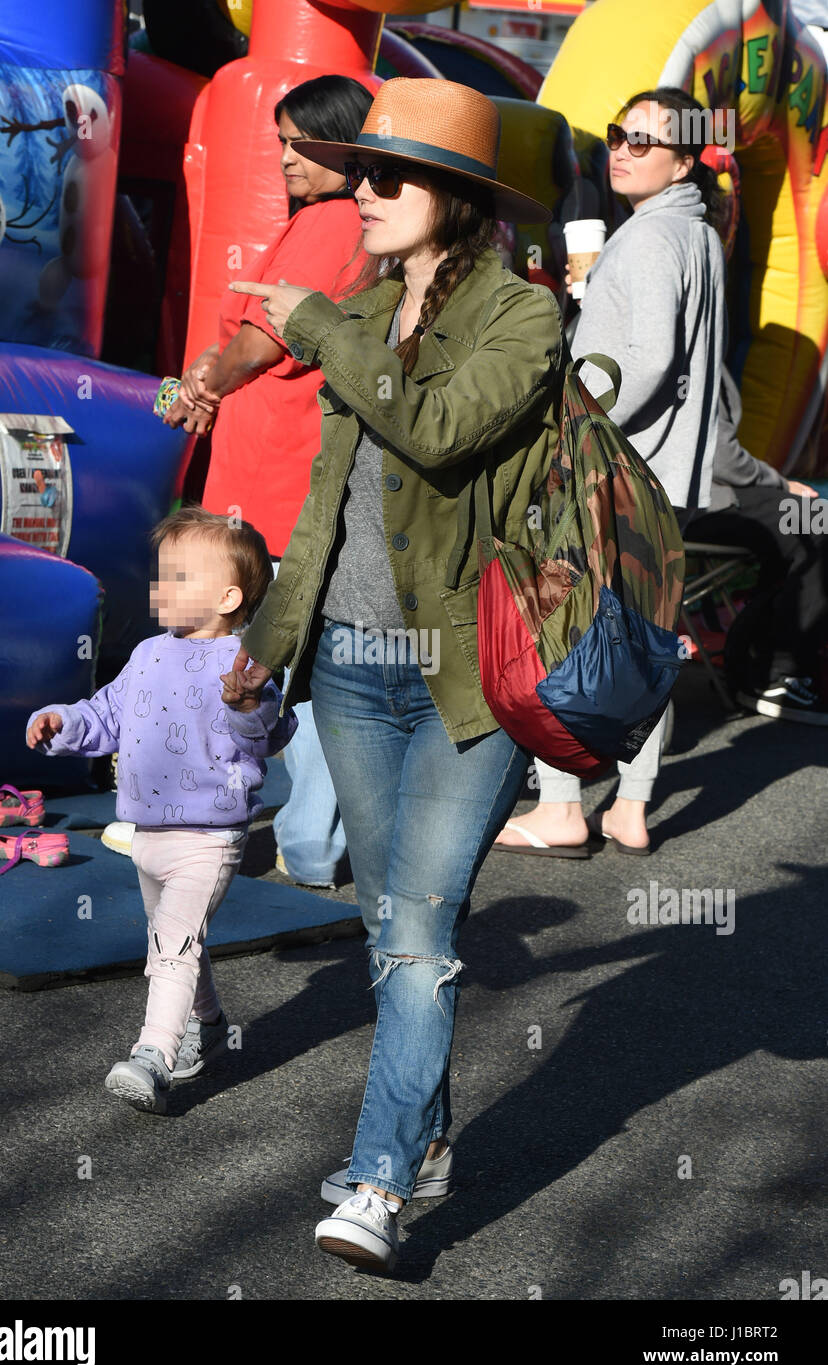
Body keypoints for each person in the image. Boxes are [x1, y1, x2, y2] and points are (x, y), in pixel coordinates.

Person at [220, 76, 563, 1273]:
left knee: (417, 935)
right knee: (384, 925)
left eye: (383, 176)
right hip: (355, 673)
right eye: (353, 171)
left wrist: (314, 328)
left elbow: (437, 429)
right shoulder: (359, 309)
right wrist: (267, 651)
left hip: (467, 681)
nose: (357, 193)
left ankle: (375, 1183)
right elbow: (323, 511)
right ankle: (419, 1138)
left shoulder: (522, 319)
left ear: (454, 199)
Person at [495, 87, 727, 858]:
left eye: (642, 141)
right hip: (665, 476)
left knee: (565, 629)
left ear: (685, 158)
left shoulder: (654, 238)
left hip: (616, 472)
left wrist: (576, 423)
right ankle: (629, 805)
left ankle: (562, 805)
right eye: (616, 137)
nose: (621, 151)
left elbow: (651, 360)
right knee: (644, 639)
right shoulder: (693, 231)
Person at [158, 76, 374, 888]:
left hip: (273, 486)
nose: (284, 157)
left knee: (245, 657)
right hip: (296, 481)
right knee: (303, 664)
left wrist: (206, 385)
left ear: (346, 144)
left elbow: (264, 337)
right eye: (279, 141)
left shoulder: (329, 220)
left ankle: (207, 819)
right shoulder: (359, 222)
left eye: (301, 142)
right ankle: (310, 844)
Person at [26, 507, 297, 1114]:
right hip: (146, 832)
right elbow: (107, 714)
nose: (160, 587)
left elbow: (267, 731)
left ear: (228, 597)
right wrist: (62, 722)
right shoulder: (149, 652)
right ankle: (207, 1021)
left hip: (209, 836)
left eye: (179, 577)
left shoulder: (245, 664)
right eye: (161, 575)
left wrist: (249, 704)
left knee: (172, 945)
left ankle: (154, 1054)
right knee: (173, 941)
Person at [684, 365, 828, 723]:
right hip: (696, 502)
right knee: (817, 522)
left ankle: (761, 664)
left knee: (807, 522)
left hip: (687, 498)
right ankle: (782, 674)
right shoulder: (691, 329)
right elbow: (723, 459)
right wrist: (780, 482)